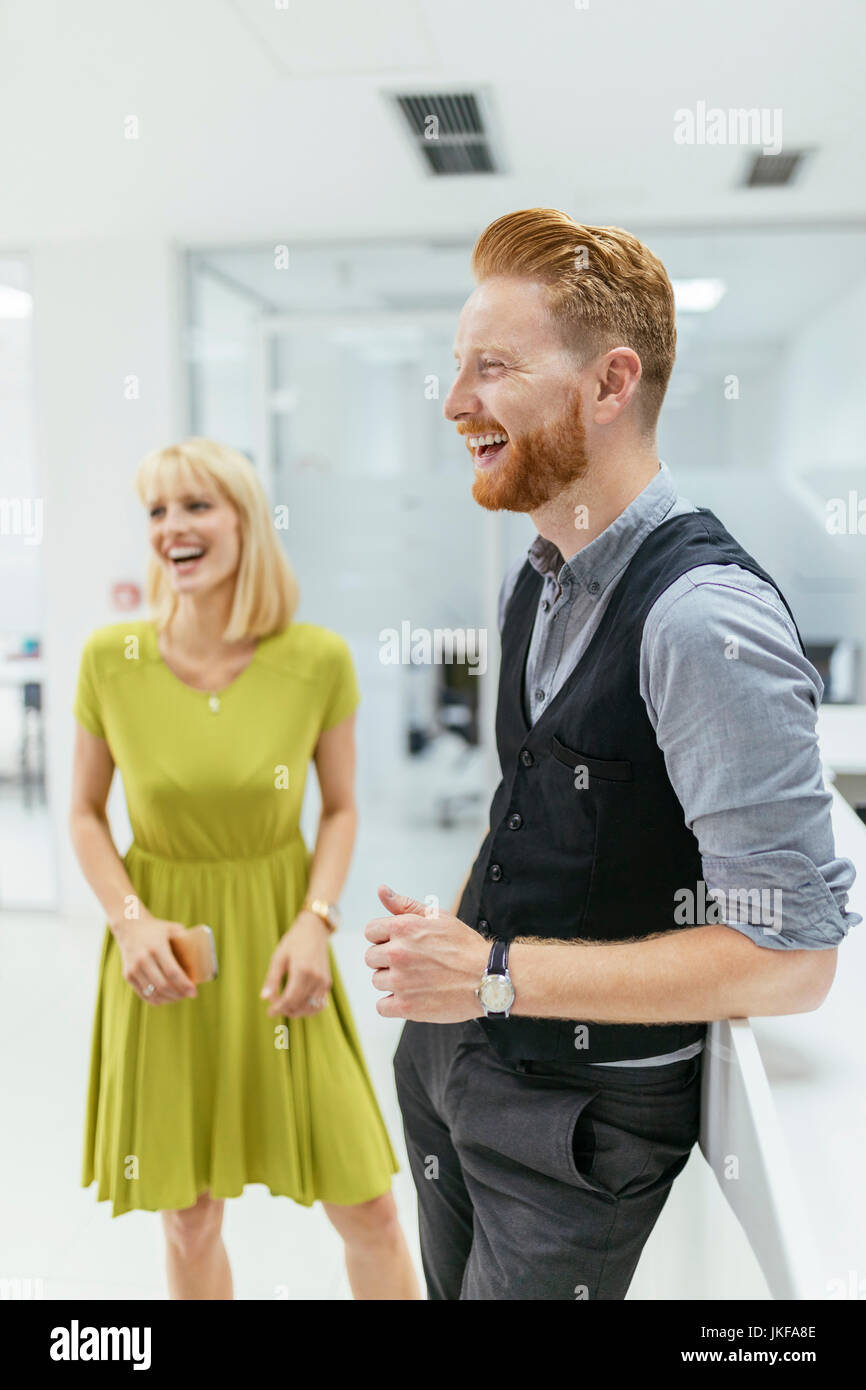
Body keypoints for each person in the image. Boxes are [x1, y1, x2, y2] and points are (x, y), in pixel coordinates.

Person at [364, 208, 858, 1301]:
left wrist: (490, 975)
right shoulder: (534, 575)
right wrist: (455, 948)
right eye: (458, 368)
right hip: (452, 1063)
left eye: (490, 367)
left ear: (607, 382)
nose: (454, 404)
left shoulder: (701, 620)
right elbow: (527, 795)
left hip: (572, 1121)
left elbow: (790, 960)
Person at [70, 436, 419, 1300]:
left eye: (196, 506)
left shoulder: (316, 660)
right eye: (157, 510)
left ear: (245, 524)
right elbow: (81, 813)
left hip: (283, 939)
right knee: (189, 1217)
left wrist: (317, 919)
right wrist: (130, 922)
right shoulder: (109, 659)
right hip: (164, 952)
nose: (172, 528)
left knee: (368, 1204)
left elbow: (338, 808)